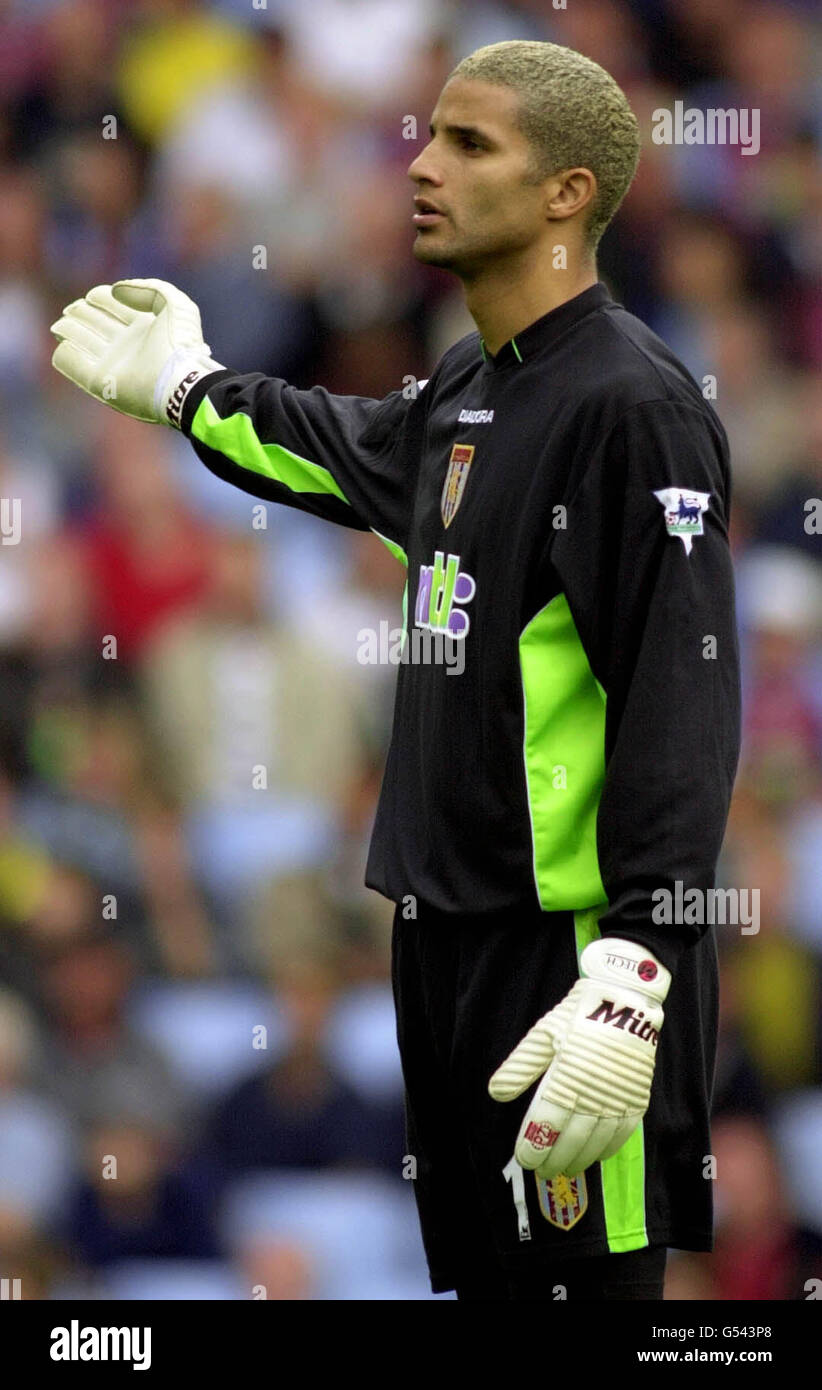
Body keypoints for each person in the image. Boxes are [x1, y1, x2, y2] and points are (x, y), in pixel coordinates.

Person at [49, 39, 741, 1301]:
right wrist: (190, 388)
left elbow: (684, 696)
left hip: (570, 959)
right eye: (427, 134)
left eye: (470, 144)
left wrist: (639, 965)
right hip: (448, 942)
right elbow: (353, 449)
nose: (422, 164)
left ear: (566, 193)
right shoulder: (477, 380)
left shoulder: (634, 407)